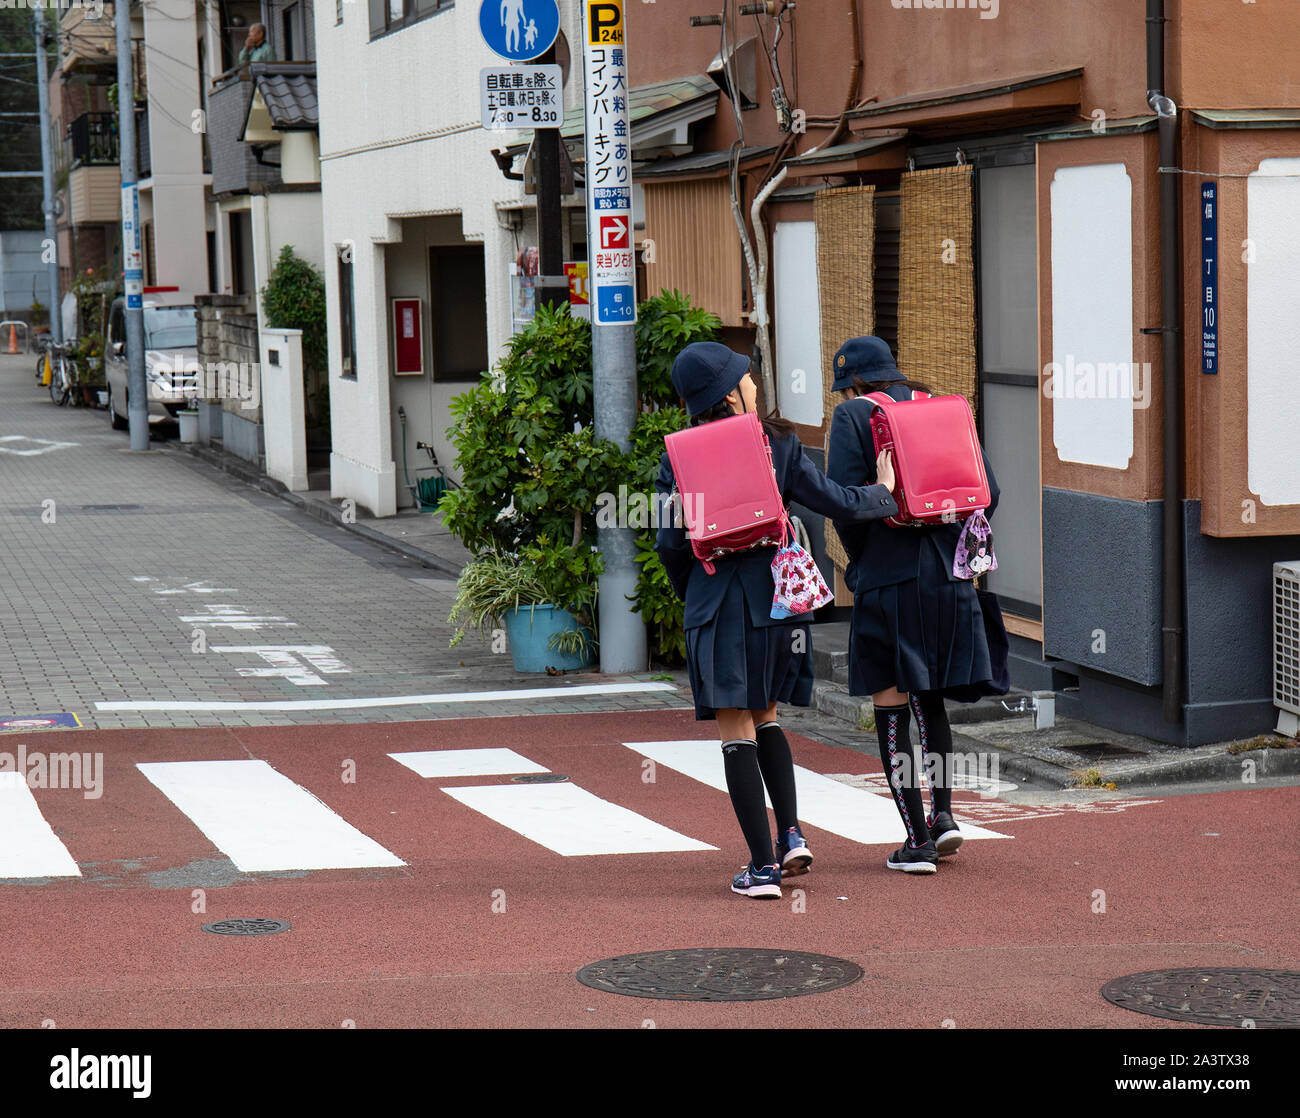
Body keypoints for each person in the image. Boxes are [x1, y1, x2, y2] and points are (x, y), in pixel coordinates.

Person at [655, 341, 901, 899]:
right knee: (766, 716)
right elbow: (834, 499)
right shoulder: (780, 444)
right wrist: (883, 491)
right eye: (748, 377)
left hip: (715, 605)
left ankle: (761, 868)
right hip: (776, 603)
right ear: (730, 390)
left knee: (734, 727)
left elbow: (671, 543)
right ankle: (790, 836)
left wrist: (692, 595)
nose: (756, 384)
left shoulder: (678, 457)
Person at [826, 336, 1000, 874]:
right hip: (950, 580)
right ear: (896, 374)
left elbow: (845, 504)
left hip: (888, 577)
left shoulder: (854, 417)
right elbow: (988, 490)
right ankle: (945, 817)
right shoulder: (938, 408)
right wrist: (957, 550)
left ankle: (915, 839)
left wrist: (860, 563)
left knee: (891, 705)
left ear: (855, 384)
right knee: (932, 700)